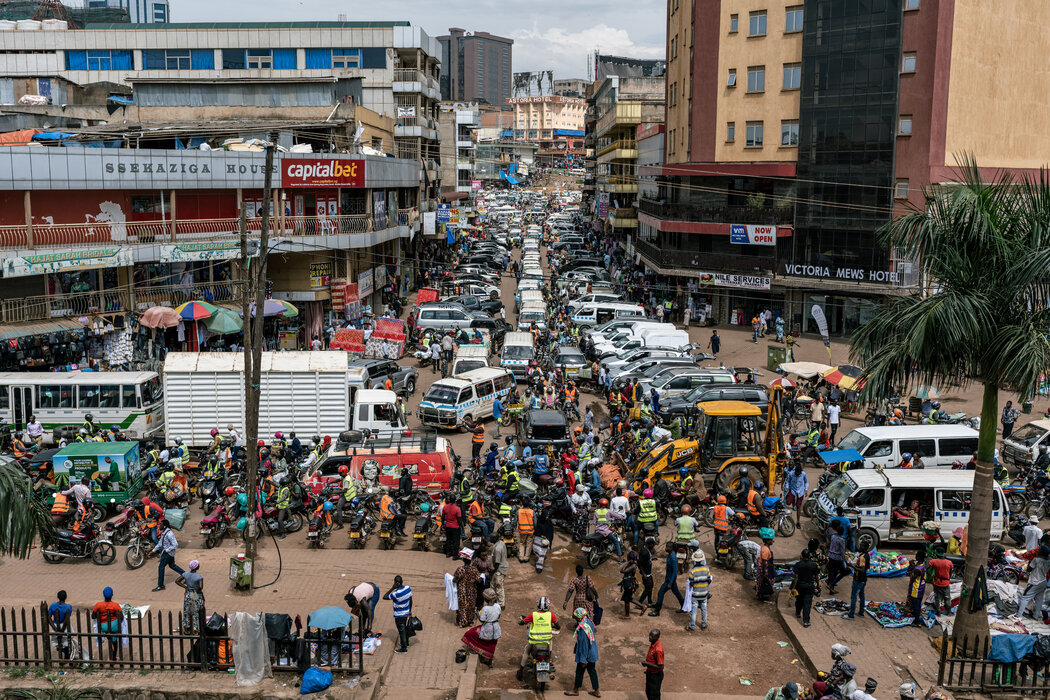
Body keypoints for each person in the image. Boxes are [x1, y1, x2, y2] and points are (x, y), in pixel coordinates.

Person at [519, 597, 560, 673]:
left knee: (527, 652)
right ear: (548, 606)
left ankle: (520, 670)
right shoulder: (551, 615)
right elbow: (558, 626)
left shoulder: (533, 615)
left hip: (534, 641)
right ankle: (549, 660)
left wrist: (521, 622)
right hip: (546, 641)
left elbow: (522, 622)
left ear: (537, 606)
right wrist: (551, 625)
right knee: (550, 641)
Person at [461, 588, 501, 666]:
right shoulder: (497, 606)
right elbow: (499, 616)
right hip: (496, 628)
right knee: (492, 643)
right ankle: (489, 660)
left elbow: (482, 620)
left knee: (470, 633)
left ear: (486, 599)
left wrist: (477, 613)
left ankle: (476, 649)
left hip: (487, 628)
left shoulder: (485, 608)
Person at [566, 607, 600, 697]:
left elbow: (584, 645)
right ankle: (597, 690)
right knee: (592, 671)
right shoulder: (588, 622)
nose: (575, 619)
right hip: (592, 652)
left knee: (579, 671)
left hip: (586, 654)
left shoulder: (582, 629)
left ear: (579, 617)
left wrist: (583, 659)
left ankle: (575, 690)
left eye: (575, 617)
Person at [148, 519, 185, 592]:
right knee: (172, 565)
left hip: (167, 553)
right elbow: (160, 543)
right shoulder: (164, 532)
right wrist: (153, 551)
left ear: (164, 526)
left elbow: (175, 544)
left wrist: (167, 550)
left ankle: (160, 585)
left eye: (160, 524)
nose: (159, 526)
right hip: (168, 553)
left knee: (161, 567)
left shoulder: (169, 534)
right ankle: (186, 575)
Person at [649, 542, 684, 617]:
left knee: (660, 592)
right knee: (677, 593)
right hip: (669, 579)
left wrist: (670, 583)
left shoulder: (673, 557)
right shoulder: (670, 555)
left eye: (668, 547)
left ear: (671, 548)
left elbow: (675, 572)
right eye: (666, 546)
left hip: (670, 580)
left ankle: (657, 611)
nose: (666, 548)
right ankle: (684, 607)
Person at [1015, 545, 1050, 619]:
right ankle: (1036, 616)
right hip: (1043, 582)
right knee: (1039, 599)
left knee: (1025, 597)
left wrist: (1026, 573)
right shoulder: (1048, 561)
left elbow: (1029, 569)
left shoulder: (1036, 560)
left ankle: (1018, 616)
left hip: (1034, 582)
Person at [383, 575, 413, 654]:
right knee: (404, 628)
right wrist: (410, 610)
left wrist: (392, 588)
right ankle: (406, 642)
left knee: (401, 630)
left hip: (399, 615)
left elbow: (385, 597)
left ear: (397, 583)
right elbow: (411, 600)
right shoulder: (408, 588)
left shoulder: (396, 594)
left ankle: (404, 648)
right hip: (406, 613)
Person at [92, 586, 124, 659]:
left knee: (109, 637)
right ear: (112, 595)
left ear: (103, 595)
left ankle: (111, 652)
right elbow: (121, 617)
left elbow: (93, 616)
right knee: (114, 640)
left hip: (103, 626)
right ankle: (113, 657)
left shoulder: (98, 605)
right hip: (114, 626)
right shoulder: (116, 605)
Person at [791, 548, 820, 627]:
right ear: (809, 555)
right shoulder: (813, 565)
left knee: (799, 600)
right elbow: (816, 576)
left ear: (802, 555)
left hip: (799, 586)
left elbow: (795, 577)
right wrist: (818, 585)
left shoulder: (798, 565)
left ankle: (797, 613)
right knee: (807, 603)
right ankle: (806, 621)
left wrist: (793, 588)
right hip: (809, 586)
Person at [175, 560, 204, 636]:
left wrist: (186, 587)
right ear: (197, 567)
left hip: (188, 595)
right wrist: (195, 592)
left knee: (187, 611)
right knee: (196, 612)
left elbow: (177, 581)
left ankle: (186, 628)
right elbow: (200, 587)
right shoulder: (199, 576)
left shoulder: (186, 574)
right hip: (195, 595)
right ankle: (196, 629)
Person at [686, 549, 712, 632]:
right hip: (704, 593)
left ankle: (692, 626)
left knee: (694, 610)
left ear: (694, 560)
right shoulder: (706, 569)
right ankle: (704, 625)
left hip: (695, 594)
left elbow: (691, 583)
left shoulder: (692, 571)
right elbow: (709, 580)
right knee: (704, 609)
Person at [453, 554, 481, 628]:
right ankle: (470, 621)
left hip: (462, 590)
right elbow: (479, 580)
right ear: (470, 560)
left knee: (462, 606)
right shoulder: (474, 569)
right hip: (472, 590)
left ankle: (462, 622)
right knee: (471, 605)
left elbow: (455, 580)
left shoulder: (460, 569)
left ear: (463, 560)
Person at [618, 552, 647, 618]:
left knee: (626, 600)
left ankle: (627, 615)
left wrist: (627, 563)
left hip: (629, 585)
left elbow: (622, 571)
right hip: (628, 583)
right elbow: (627, 575)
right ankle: (643, 606)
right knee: (629, 598)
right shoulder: (631, 565)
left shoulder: (633, 566)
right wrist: (622, 582)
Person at [847, 543, 871, 620]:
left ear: (865, 547)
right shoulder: (866, 555)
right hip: (863, 580)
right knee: (861, 595)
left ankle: (851, 615)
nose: (860, 547)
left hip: (858, 579)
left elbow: (862, 570)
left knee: (853, 596)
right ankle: (861, 612)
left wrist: (852, 566)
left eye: (862, 546)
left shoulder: (863, 557)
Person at [48, 590, 73, 660]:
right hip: (65, 627)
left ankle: (61, 657)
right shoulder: (69, 607)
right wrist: (62, 629)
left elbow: (49, 618)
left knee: (58, 642)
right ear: (66, 597)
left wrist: (55, 628)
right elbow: (66, 619)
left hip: (55, 624)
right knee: (67, 641)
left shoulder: (53, 605)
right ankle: (66, 656)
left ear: (57, 597)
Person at [928, 549, 954, 614]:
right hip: (946, 583)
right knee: (947, 598)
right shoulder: (949, 562)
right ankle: (949, 612)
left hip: (937, 582)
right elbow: (950, 573)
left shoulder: (933, 561)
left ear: (937, 553)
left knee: (937, 598)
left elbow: (926, 568)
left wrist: (932, 575)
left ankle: (938, 612)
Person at [783, 463, 808, 527]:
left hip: (800, 491)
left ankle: (798, 521)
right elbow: (788, 481)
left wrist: (806, 489)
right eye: (796, 473)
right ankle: (788, 517)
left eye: (798, 473)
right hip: (793, 490)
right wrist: (787, 487)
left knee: (798, 507)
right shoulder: (791, 474)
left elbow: (806, 482)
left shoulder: (803, 474)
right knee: (788, 502)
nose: (797, 474)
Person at [642, 628, 664, 700]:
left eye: (652, 637)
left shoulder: (658, 650)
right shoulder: (653, 643)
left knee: (654, 695)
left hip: (655, 676)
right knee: (648, 692)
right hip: (650, 673)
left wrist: (647, 664)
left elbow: (660, 666)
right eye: (649, 636)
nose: (650, 638)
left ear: (657, 637)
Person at [906, 550, 927, 625]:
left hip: (916, 589)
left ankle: (917, 621)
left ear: (918, 557)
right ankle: (916, 617)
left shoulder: (918, 569)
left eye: (916, 555)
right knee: (917, 604)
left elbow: (911, 578)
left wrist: (911, 566)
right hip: (921, 587)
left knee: (916, 605)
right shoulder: (922, 564)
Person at [826, 522, 848, 594]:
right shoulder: (842, 540)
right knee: (843, 572)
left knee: (834, 572)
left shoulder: (833, 537)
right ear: (842, 532)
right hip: (837, 558)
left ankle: (831, 589)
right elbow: (842, 552)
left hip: (831, 557)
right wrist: (845, 561)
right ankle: (831, 584)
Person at [756, 528, 776, 601]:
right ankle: (761, 594)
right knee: (764, 580)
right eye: (772, 540)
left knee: (762, 581)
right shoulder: (765, 549)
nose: (773, 541)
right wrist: (765, 572)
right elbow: (764, 561)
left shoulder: (765, 546)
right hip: (764, 567)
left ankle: (762, 593)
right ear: (768, 540)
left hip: (766, 566)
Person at [490, 533, 509, 607]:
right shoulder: (501, 543)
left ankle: (501, 604)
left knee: (498, 587)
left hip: (499, 569)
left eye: (491, 537)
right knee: (493, 585)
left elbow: (497, 563)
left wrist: (493, 571)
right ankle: (495, 600)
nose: (490, 538)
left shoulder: (497, 549)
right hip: (503, 566)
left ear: (495, 539)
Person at [638, 537, 655, 607]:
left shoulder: (646, 550)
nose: (654, 546)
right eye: (653, 544)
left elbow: (645, 560)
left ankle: (649, 602)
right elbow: (639, 564)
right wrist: (644, 574)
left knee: (650, 587)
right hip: (646, 574)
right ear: (650, 544)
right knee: (648, 588)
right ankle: (639, 603)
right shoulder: (644, 552)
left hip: (648, 573)